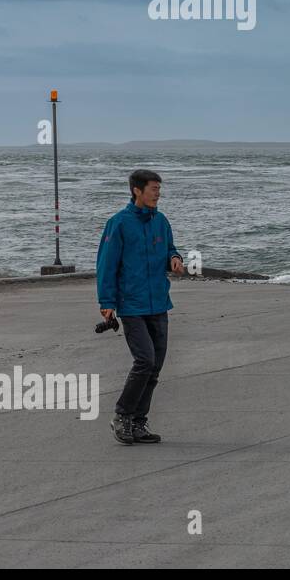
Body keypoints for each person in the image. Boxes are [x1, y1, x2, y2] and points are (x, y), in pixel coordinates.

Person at [97, 169, 185, 445]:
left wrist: (174, 258)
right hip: (131, 305)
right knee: (144, 360)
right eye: (154, 188)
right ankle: (121, 416)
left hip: (158, 302)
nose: (158, 193)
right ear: (137, 190)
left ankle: (138, 423)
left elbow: (171, 248)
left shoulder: (161, 221)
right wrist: (107, 302)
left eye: (159, 188)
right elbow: (106, 265)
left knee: (155, 366)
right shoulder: (119, 223)